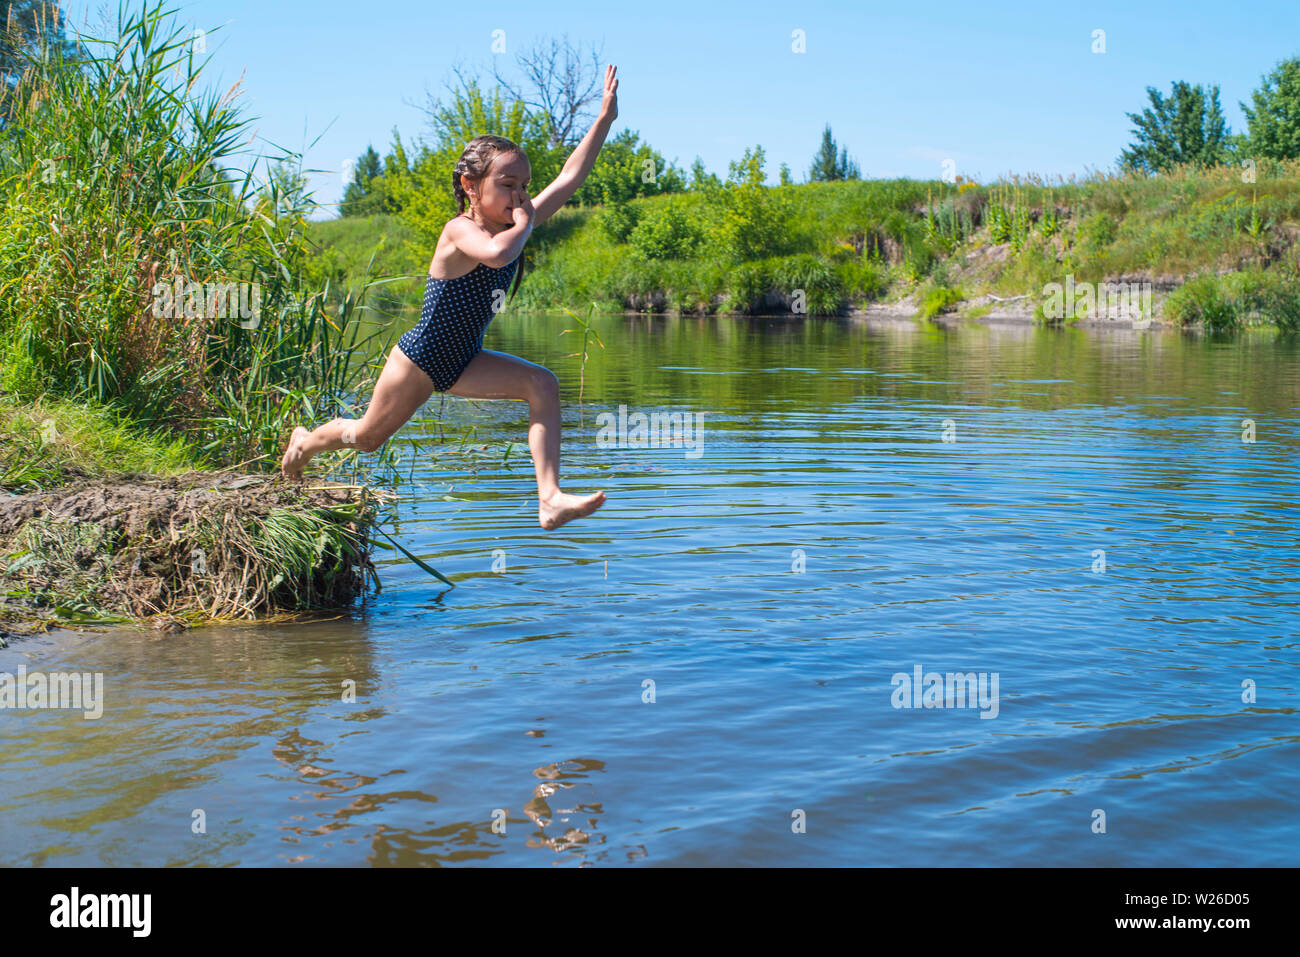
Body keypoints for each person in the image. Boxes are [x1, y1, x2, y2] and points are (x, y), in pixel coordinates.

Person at [282, 67, 620, 531]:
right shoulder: (461, 231)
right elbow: (499, 256)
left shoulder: (511, 225)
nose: (520, 195)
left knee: (543, 385)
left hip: (465, 359)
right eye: (508, 185)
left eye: (523, 185)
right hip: (418, 360)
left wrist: (603, 119)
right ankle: (304, 442)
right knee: (365, 437)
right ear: (470, 185)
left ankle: (550, 498)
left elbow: (569, 177)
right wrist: (526, 220)